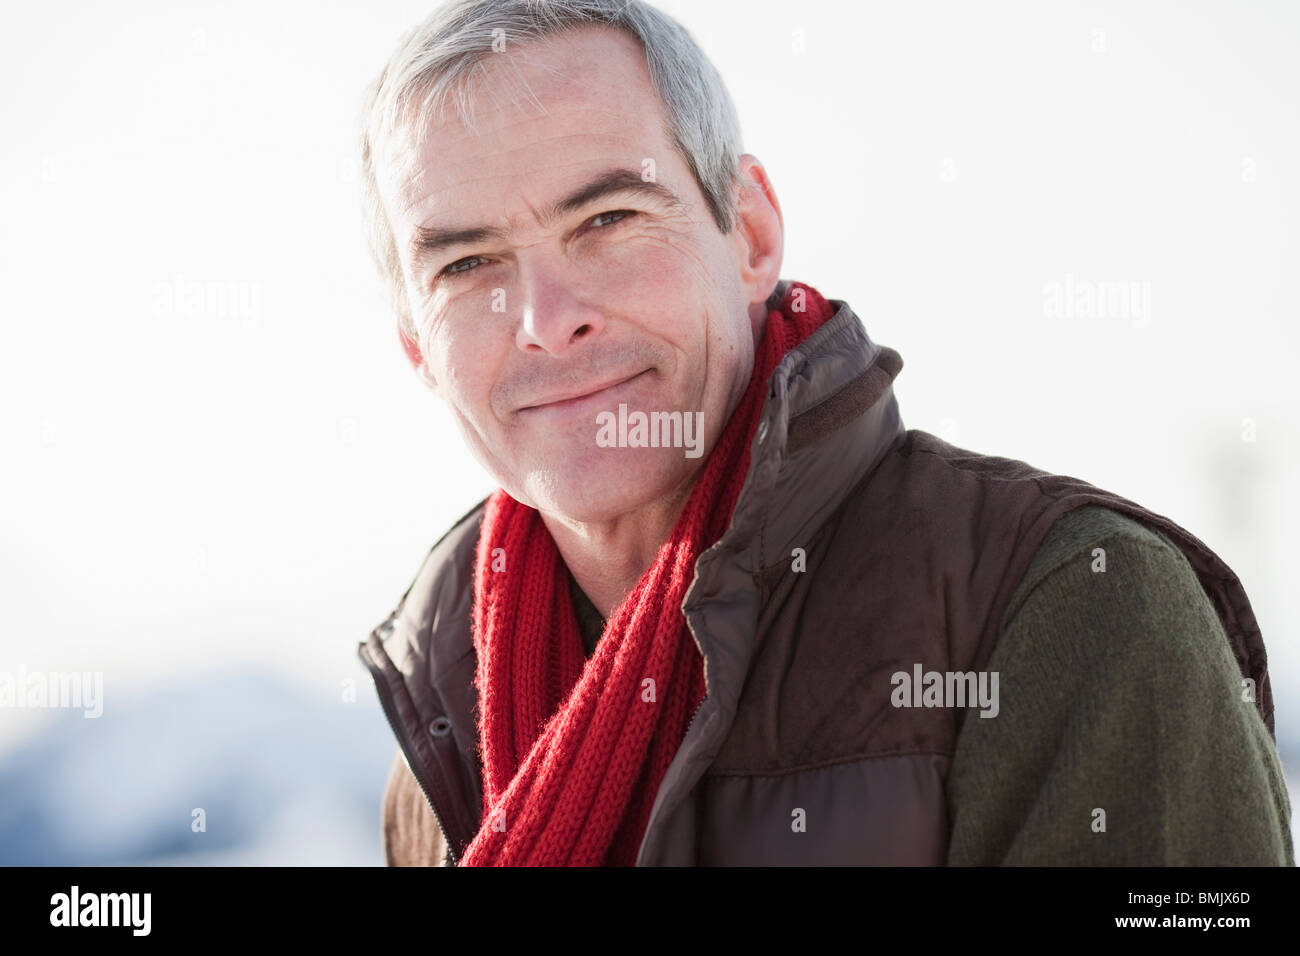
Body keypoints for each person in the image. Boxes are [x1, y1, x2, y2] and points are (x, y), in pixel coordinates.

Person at [355, 0, 1293, 866]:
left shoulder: (1067, 608)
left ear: (751, 234)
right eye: (467, 263)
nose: (546, 318)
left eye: (607, 218)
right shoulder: (445, 718)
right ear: (416, 348)